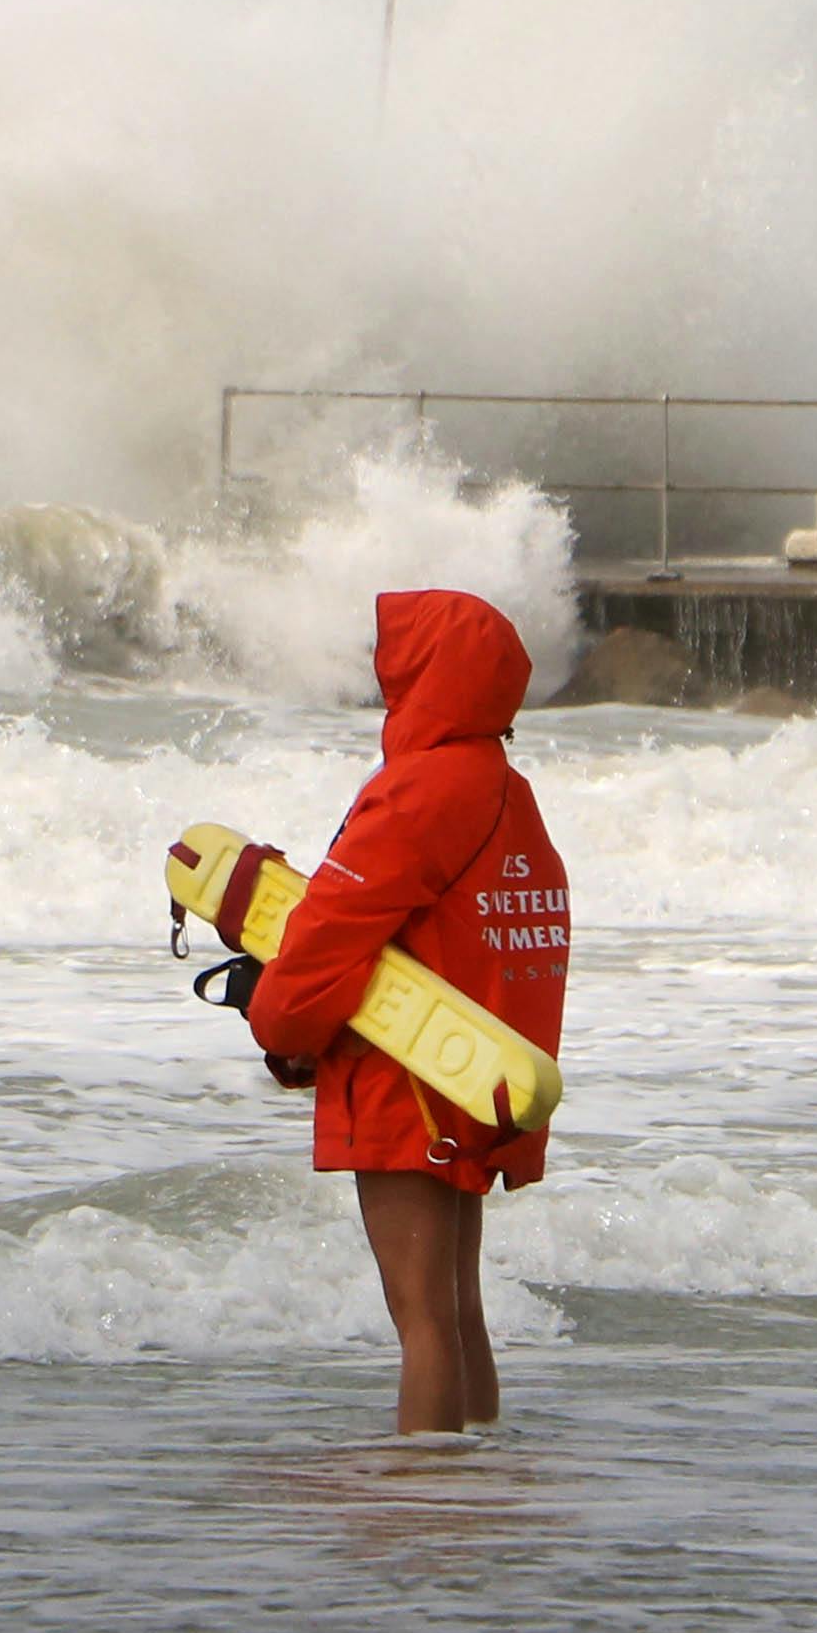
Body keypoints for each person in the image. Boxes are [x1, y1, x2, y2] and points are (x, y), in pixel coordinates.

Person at [243, 589, 572, 1434]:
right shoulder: (508, 789)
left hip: (407, 1080)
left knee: (419, 1318)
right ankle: (472, 1485)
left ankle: (425, 1508)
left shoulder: (415, 792)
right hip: (480, 1071)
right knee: (458, 1308)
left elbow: (327, 937)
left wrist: (280, 1032)